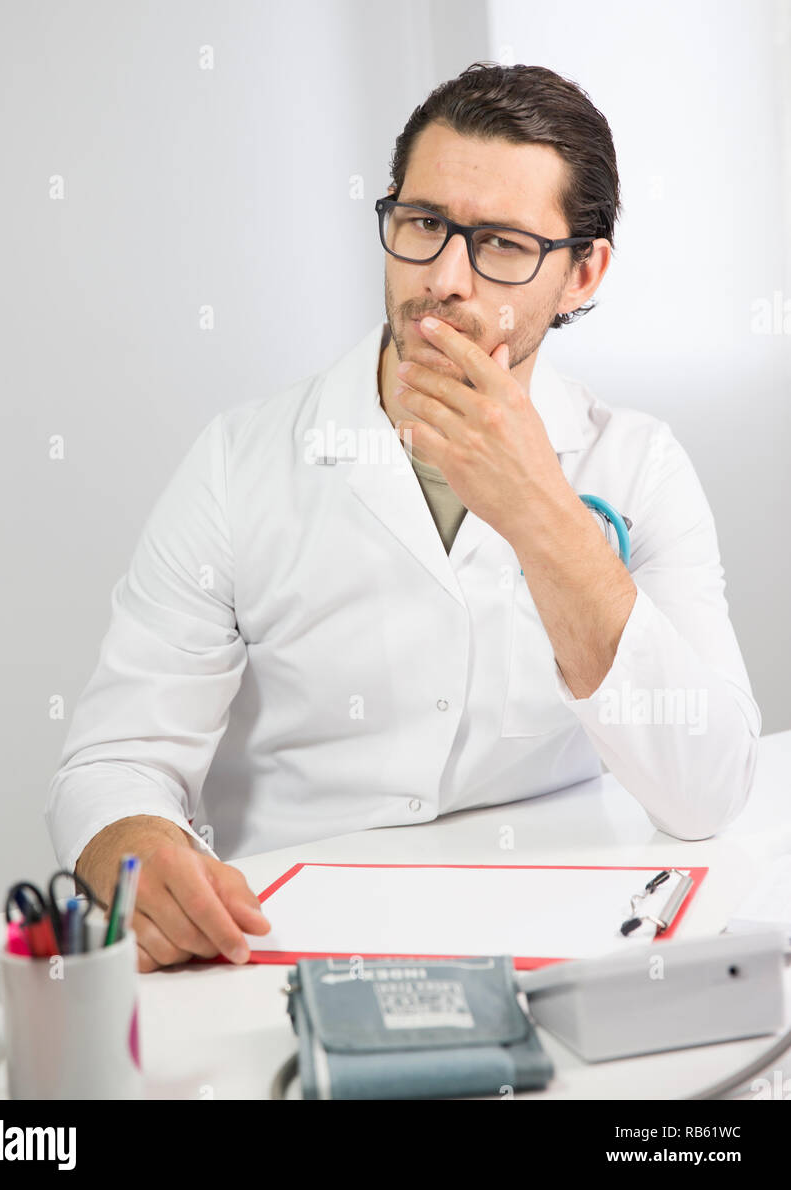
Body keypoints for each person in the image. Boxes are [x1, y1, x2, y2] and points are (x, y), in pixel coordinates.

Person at [46, 62, 760, 971]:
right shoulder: (240, 461)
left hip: (557, 929)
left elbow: (706, 793)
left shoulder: (638, 464)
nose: (447, 278)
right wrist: (138, 855)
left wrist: (540, 508)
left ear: (582, 272)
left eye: (501, 242)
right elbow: (113, 760)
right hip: (282, 942)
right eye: (424, 225)